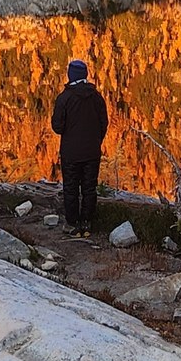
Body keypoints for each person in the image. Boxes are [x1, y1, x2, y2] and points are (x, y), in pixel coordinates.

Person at [50, 58, 108, 236]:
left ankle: (73, 223)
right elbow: (104, 123)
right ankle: (87, 223)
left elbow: (57, 127)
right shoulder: (96, 98)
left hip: (71, 153)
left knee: (71, 188)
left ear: (70, 75)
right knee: (89, 188)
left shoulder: (64, 98)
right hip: (92, 152)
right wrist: (95, 141)